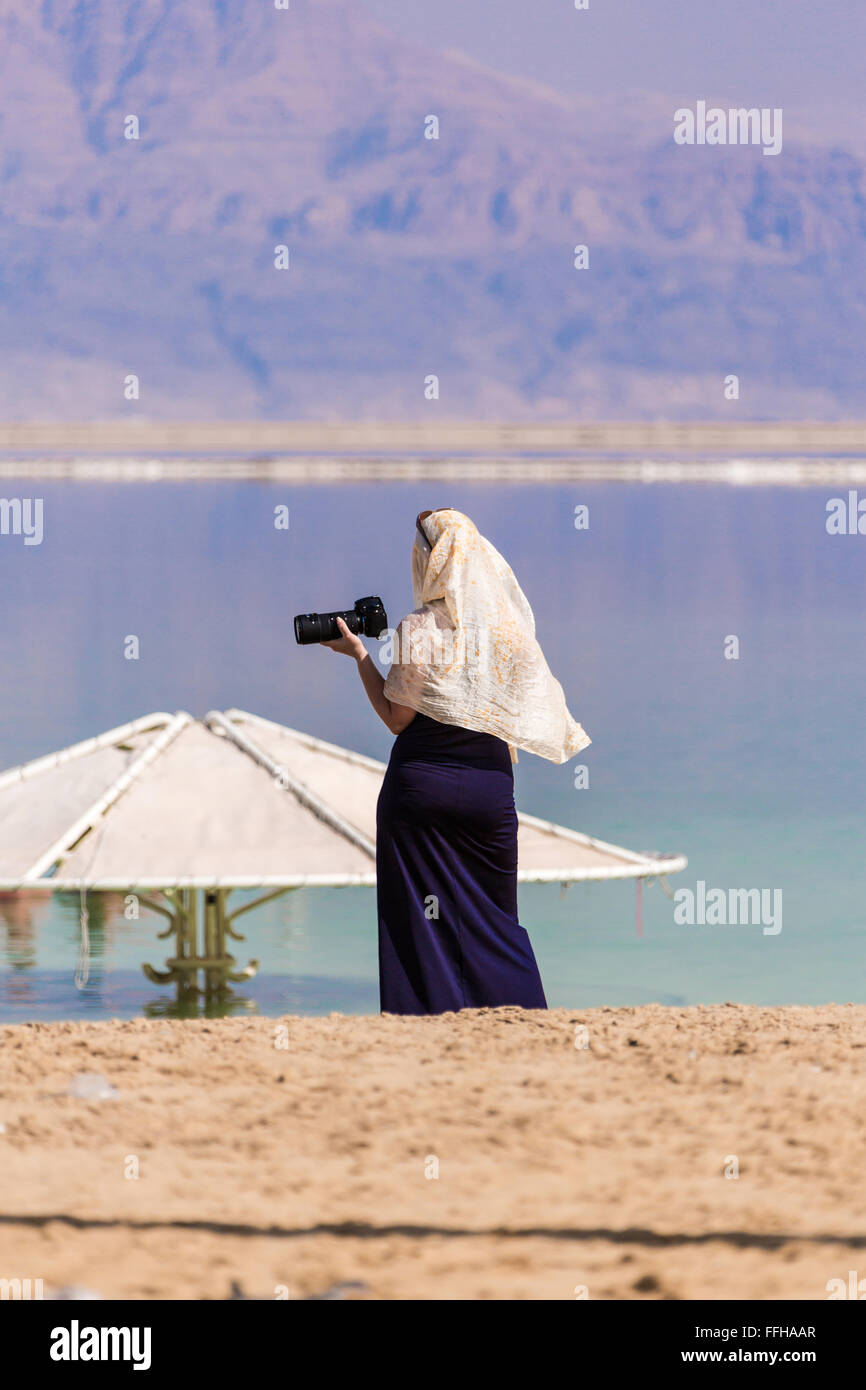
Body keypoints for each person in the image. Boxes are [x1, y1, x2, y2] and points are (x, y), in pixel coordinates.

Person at [322, 508, 590, 1016]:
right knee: (493, 917)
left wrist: (360, 655)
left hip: (420, 790)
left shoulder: (418, 628)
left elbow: (398, 718)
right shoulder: (509, 636)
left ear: (431, 561)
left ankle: (425, 1017)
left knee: (419, 919)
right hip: (489, 792)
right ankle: (519, 1014)